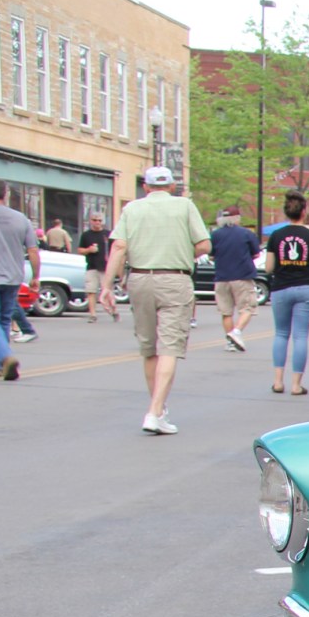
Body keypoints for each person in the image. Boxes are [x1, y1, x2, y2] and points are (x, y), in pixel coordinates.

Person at [104, 166, 210, 434]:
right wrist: (182, 248)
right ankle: (154, 412)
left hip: (139, 279)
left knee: (149, 348)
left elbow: (118, 246)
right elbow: (204, 245)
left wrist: (107, 286)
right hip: (175, 277)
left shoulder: (131, 209)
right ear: (172, 186)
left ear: (146, 187)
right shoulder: (185, 206)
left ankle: (159, 409)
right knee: (170, 347)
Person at [264, 193, 309, 396]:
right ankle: (296, 384)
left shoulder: (276, 236)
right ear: (304, 212)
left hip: (281, 287)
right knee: (300, 336)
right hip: (306, 288)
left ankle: (278, 381)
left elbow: (269, 268)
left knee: (281, 334)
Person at [0, 183, 39, 381]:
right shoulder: (21, 218)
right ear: (6, 194)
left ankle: (5, 356)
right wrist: (36, 277)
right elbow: (33, 251)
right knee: (4, 318)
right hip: (13, 277)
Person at [209, 206, 262, 351]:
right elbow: (256, 254)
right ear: (237, 218)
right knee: (247, 308)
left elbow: (211, 255)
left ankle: (230, 342)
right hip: (242, 277)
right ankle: (236, 332)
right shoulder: (246, 234)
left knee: (226, 312)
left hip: (221, 277)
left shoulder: (215, 235)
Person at [75, 213, 114, 322]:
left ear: (103, 222)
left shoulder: (108, 235)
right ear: (90, 221)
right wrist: (89, 250)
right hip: (91, 266)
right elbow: (80, 250)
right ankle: (93, 314)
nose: (97, 222)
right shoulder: (86, 235)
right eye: (94, 220)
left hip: (106, 267)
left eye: (99, 220)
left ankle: (113, 310)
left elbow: (115, 250)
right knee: (91, 291)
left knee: (107, 291)